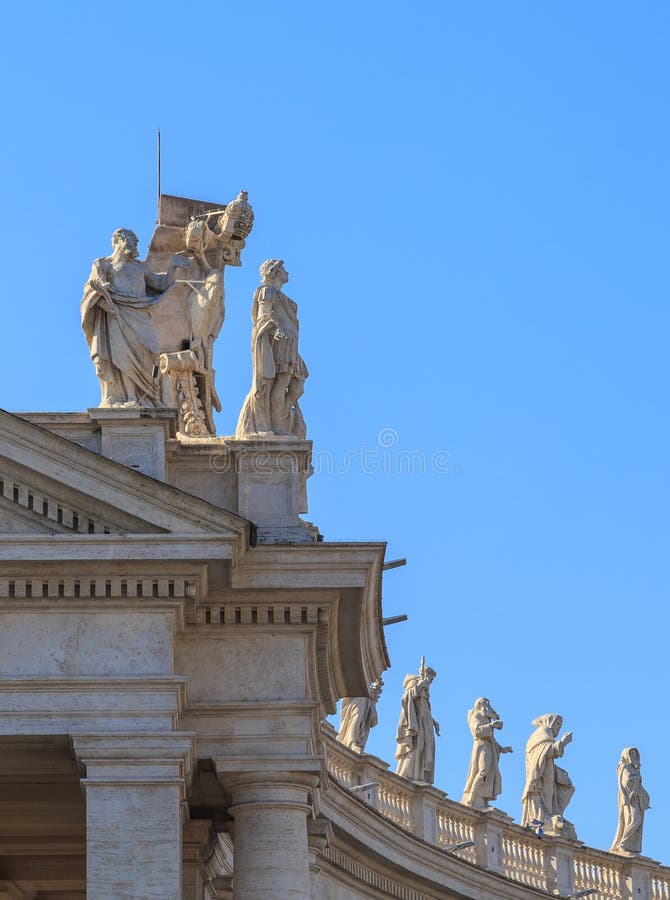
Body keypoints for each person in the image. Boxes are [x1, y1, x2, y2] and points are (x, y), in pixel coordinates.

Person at [81, 228, 190, 407]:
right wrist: (107, 305)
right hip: (117, 314)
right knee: (121, 355)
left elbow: (160, 283)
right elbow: (93, 293)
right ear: (118, 240)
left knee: (151, 352)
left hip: (139, 314)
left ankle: (146, 397)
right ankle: (128, 397)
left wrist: (172, 266)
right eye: (132, 240)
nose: (135, 244)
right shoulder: (103, 265)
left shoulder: (140, 267)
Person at [236, 259, 308, 437]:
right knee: (280, 383)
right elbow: (263, 316)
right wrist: (272, 330)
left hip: (290, 343)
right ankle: (277, 425)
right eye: (283, 269)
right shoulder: (266, 292)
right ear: (275, 272)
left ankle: (280, 418)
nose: (287, 272)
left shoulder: (284, 298)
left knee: (298, 386)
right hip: (279, 341)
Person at [521, 713, 574, 828]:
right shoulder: (543, 732)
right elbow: (546, 750)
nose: (559, 727)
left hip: (547, 769)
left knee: (563, 787)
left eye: (560, 725)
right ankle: (544, 818)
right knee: (545, 793)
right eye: (557, 724)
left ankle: (552, 814)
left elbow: (547, 752)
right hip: (540, 773)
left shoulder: (547, 734)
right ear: (550, 722)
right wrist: (563, 743)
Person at [461, 697, 513, 810]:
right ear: (480, 705)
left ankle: (483, 801)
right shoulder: (476, 716)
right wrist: (491, 726)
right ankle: (471, 798)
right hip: (481, 747)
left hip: (489, 747)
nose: (488, 707)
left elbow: (491, 738)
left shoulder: (486, 719)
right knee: (482, 771)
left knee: (489, 774)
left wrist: (502, 749)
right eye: (486, 704)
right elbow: (477, 732)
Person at [395, 665, 440, 784]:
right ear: (425, 674)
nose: (431, 681)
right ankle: (404, 776)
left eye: (432, 680)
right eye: (430, 678)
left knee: (425, 751)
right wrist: (419, 685)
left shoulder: (425, 691)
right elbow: (406, 699)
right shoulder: (414, 682)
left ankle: (419, 776)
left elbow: (424, 709)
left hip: (426, 725)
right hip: (417, 725)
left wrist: (433, 722)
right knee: (414, 749)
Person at [610, 748, 650, 855]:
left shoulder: (635, 769)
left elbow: (639, 785)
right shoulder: (624, 767)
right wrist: (637, 776)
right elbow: (626, 780)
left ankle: (630, 846)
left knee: (637, 820)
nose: (634, 756)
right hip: (628, 798)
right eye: (631, 753)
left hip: (636, 798)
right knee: (634, 819)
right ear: (626, 755)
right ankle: (623, 843)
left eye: (635, 754)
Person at [338, 678, 383, 754]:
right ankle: (351, 742)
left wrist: (376, 687)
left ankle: (354, 742)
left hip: (364, 698)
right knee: (355, 718)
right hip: (357, 696)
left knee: (361, 722)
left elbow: (372, 694)